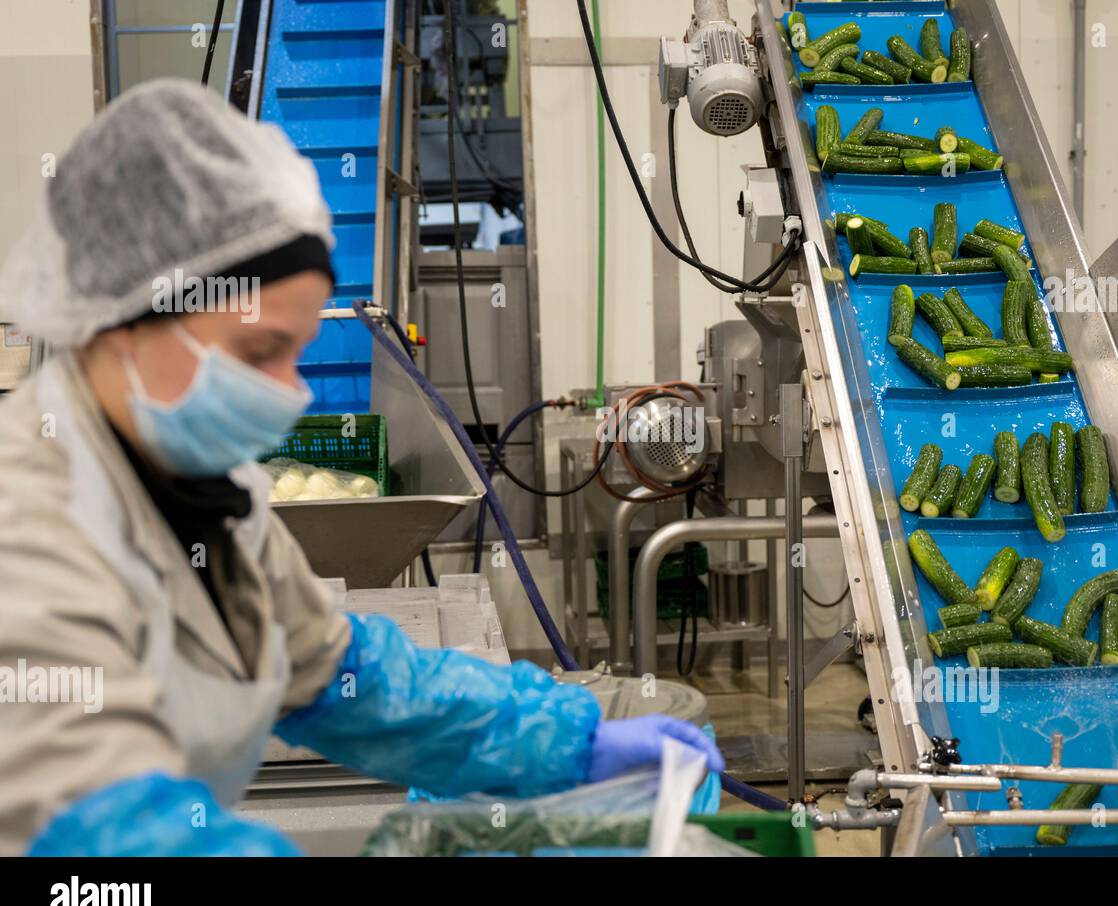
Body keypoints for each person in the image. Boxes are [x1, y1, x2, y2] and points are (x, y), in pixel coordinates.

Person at [0, 79, 722, 856]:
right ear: (124, 328)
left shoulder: (201, 500)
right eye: (258, 353)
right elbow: (101, 842)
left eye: (295, 350)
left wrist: (566, 744)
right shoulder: (30, 523)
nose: (289, 392)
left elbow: (353, 681)